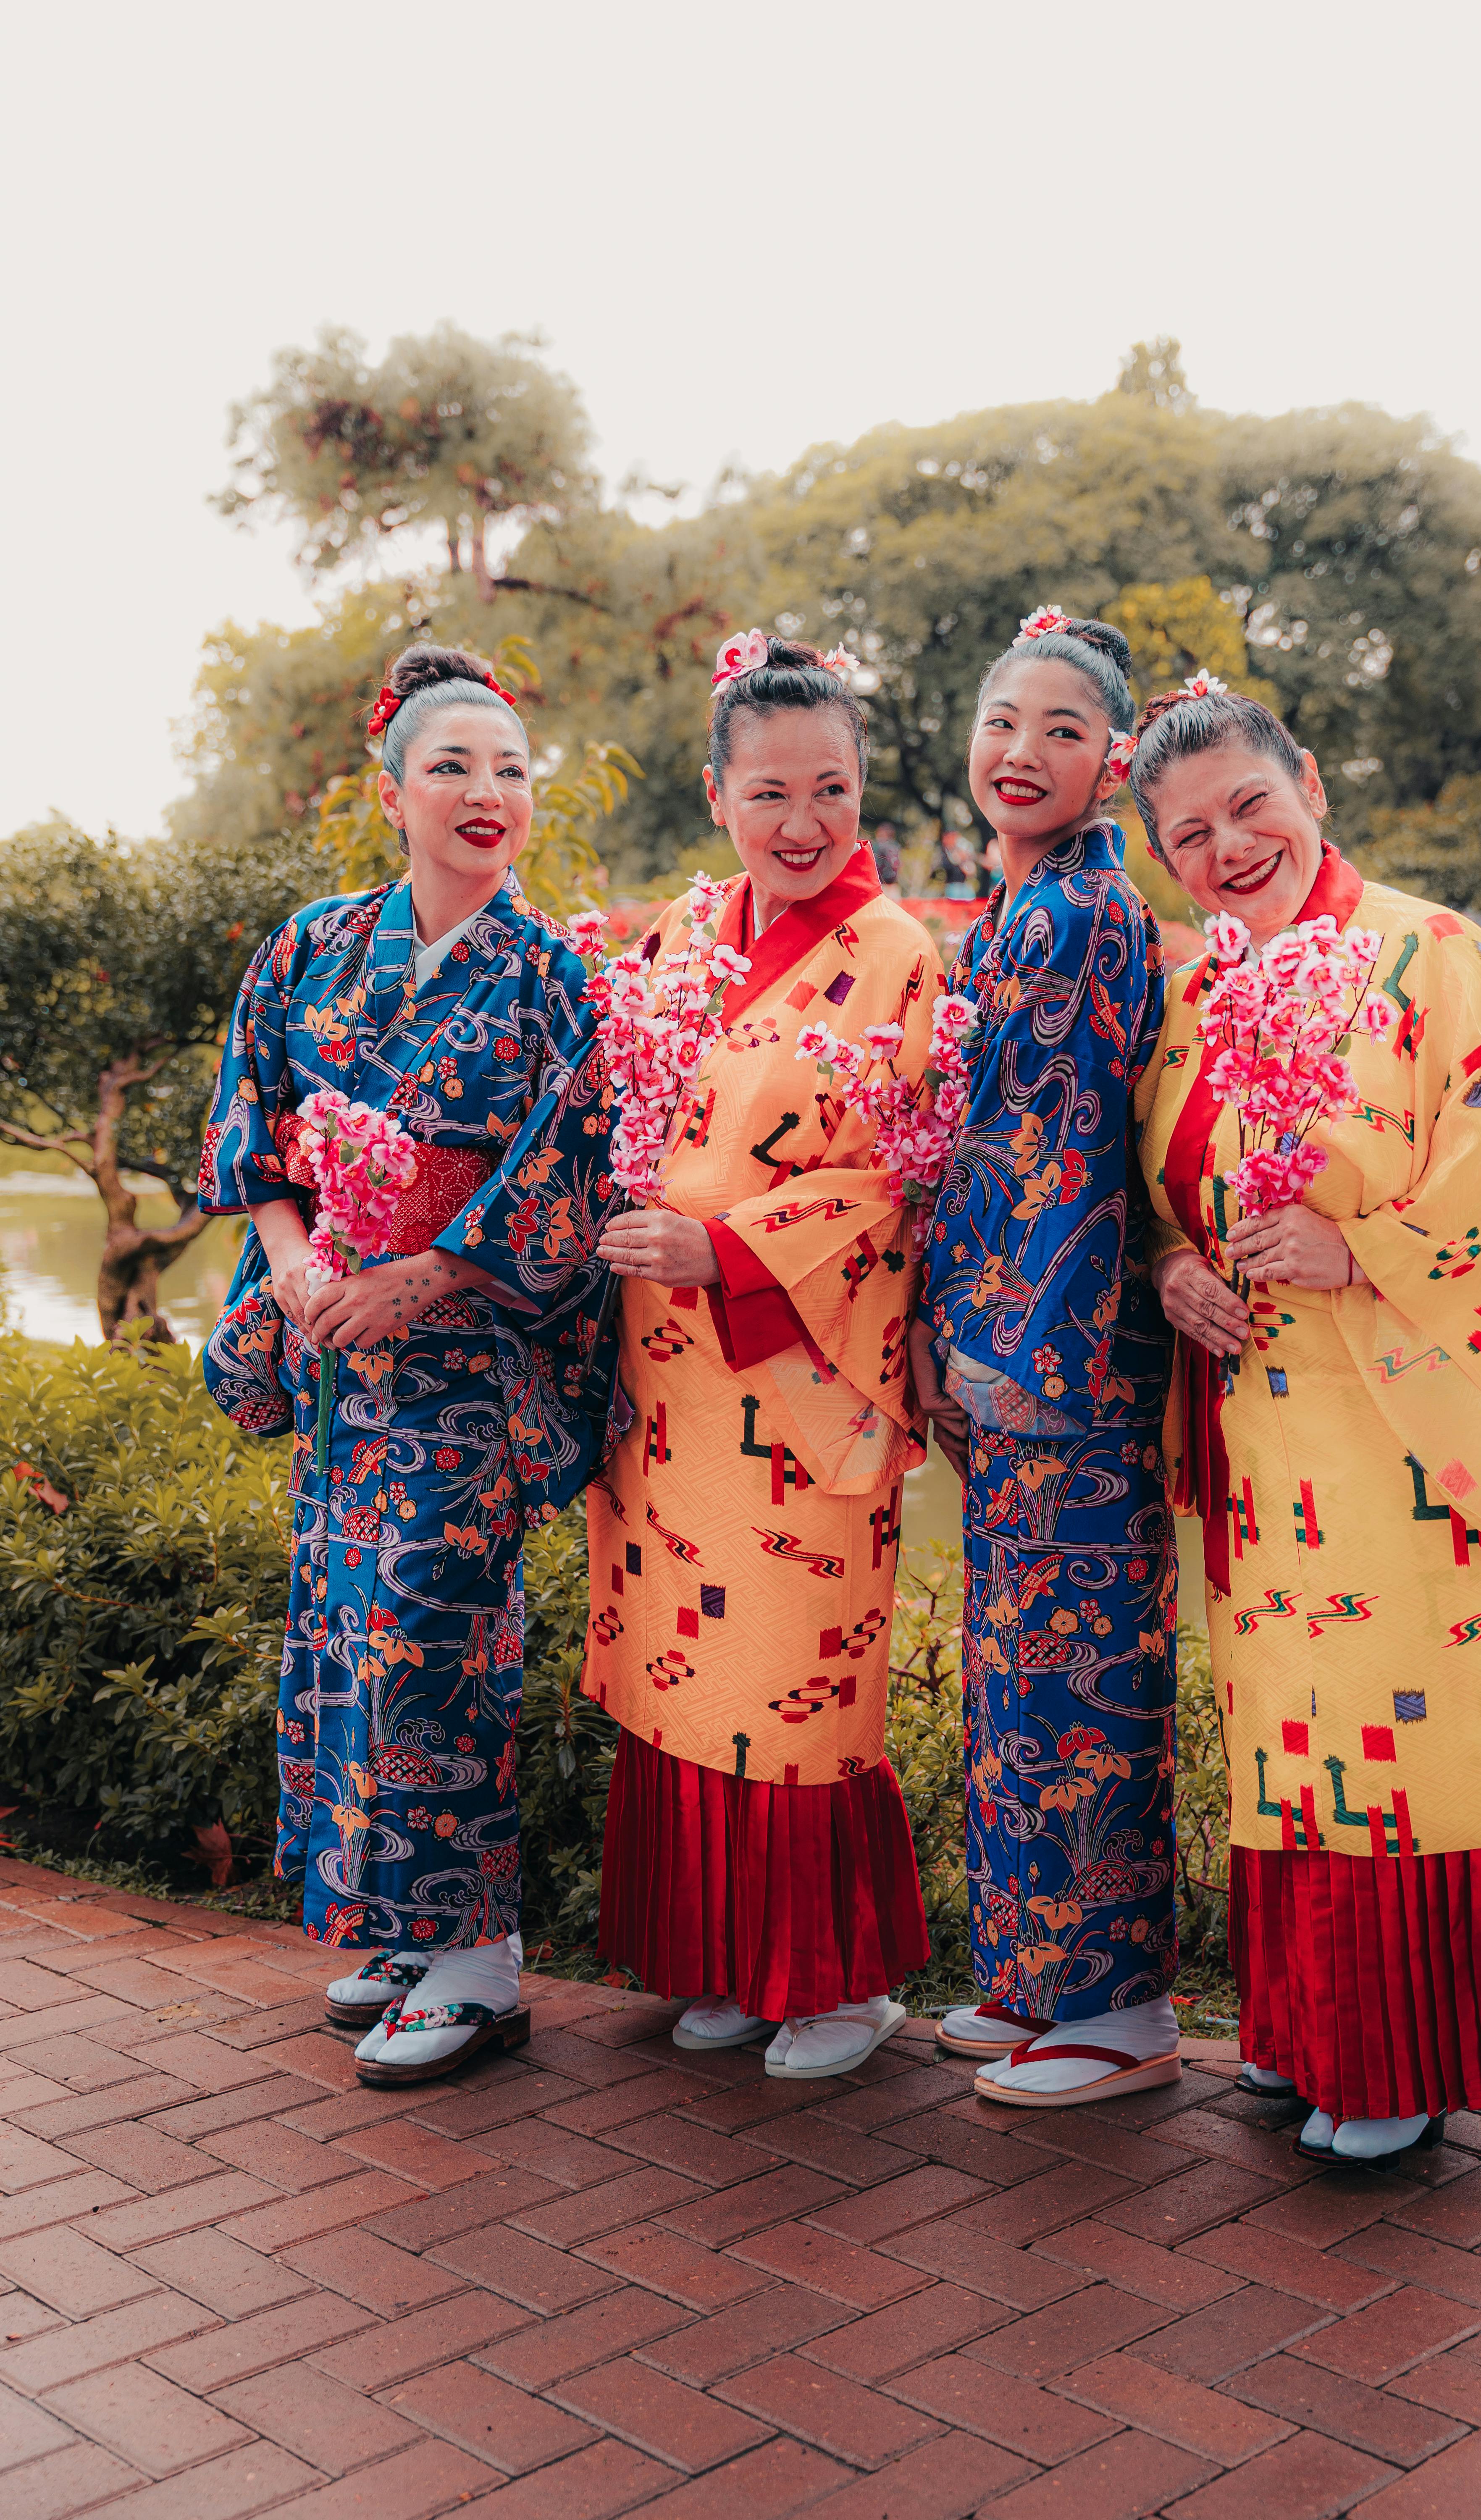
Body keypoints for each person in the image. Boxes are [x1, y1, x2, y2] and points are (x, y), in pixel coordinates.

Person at [1132, 678, 1481, 2164]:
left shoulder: (1437, 956)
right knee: (1295, 1750)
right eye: (1189, 833)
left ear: (1314, 787)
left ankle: (1407, 2060)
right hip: (1271, 1456)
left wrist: (1367, 1250)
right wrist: (1170, 1268)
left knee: (1416, 1752)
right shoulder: (1198, 988)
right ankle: (1309, 2029)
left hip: (1421, 1442)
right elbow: (1165, 1183)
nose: (1228, 849)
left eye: (1250, 809)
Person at [200, 645, 615, 2086]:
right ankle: (395, 1922)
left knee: (441, 1638)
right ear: (393, 792)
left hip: (465, 1372)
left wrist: (430, 1269)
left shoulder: (562, 976)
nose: (486, 792)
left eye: (509, 770)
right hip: (338, 1354)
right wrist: (305, 1264)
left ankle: (479, 1958)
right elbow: (256, 1127)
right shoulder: (312, 946)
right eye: (453, 766)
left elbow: (572, 1175)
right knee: (342, 1626)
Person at [583, 633, 940, 2077]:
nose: (806, 823)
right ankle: (728, 1958)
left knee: (799, 1680)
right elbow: (615, 1110)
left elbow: (900, 1184)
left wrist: (726, 1247)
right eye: (773, 792)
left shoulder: (902, 956)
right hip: (667, 1386)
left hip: (801, 1372)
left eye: (835, 790)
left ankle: (839, 1980)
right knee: (688, 1668)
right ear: (717, 794)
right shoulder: (675, 941)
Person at [911, 608, 1182, 2108]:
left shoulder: (1084, 913)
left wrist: (1009, 1349)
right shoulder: (1012, 912)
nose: (1023, 754)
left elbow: (1074, 1163)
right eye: (1005, 724)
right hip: (1011, 1352)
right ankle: (1033, 1980)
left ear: (1115, 763)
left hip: (1064, 1358)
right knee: (1019, 1675)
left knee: (1080, 1675)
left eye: (1064, 733)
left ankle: (1120, 2010)